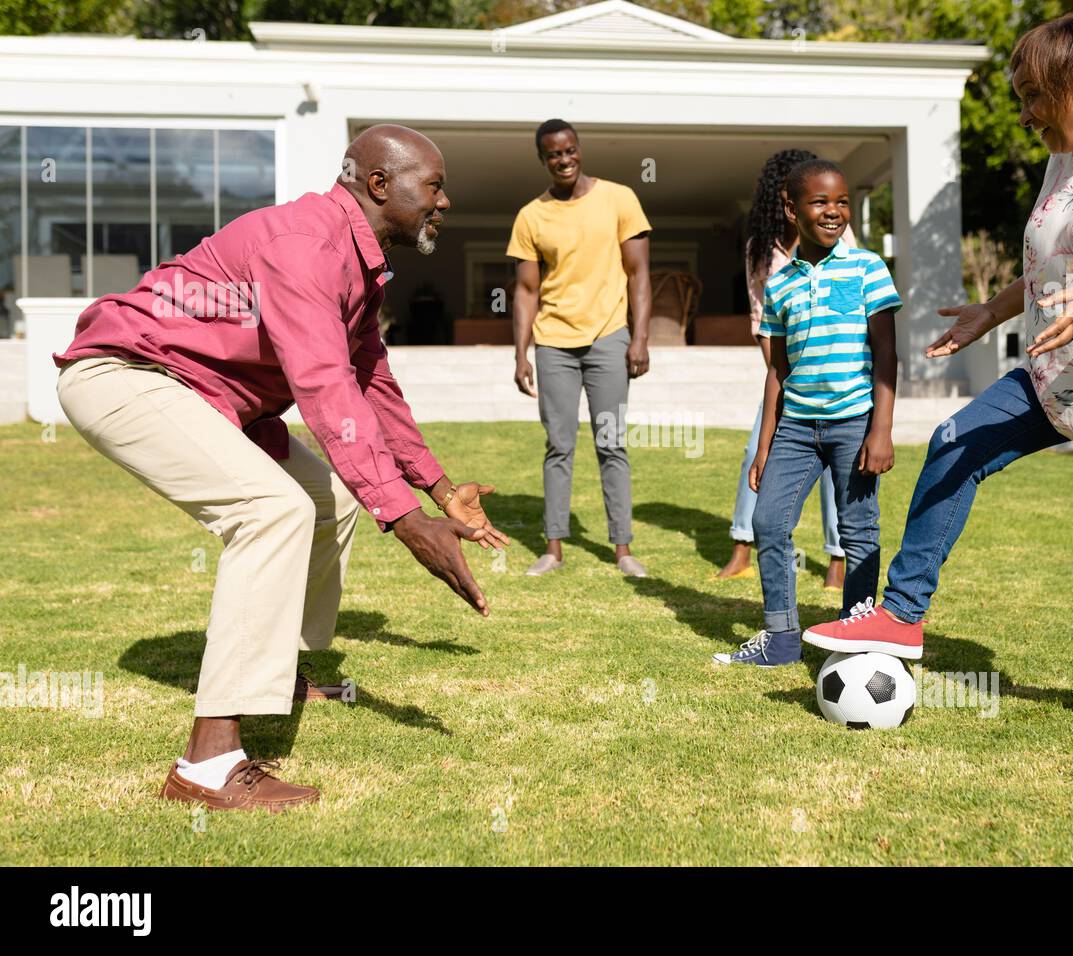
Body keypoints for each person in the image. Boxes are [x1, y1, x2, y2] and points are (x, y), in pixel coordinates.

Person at [802, 14, 1073, 747]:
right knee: (956, 441)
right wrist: (991, 311)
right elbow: (1054, 263)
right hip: (1060, 369)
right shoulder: (1068, 152)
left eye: (1035, 97)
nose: (1026, 114)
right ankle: (901, 614)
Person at [54, 125, 507, 811]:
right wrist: (408, 523)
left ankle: (272, 671)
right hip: (127, 373)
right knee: (273, 510)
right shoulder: (304, 245)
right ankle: (205, 767)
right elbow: (325, 388)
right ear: (379, 184)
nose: (446, 201)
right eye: (435, 185)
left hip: (202, 394)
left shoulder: (357, 262)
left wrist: (438, 488)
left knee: (331, 502)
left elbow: (370, 383)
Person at [714, 159, 900, 666]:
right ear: (791, 208)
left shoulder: (867, 268)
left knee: (858, 529)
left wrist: (880, 429)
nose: (833, 211)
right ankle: (781, 639)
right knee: (770, 524)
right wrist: (766, 444)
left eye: (841, 202)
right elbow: (777, 372)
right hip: (796, 425)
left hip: (855, 421)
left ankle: (858, 634)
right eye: (820, 202)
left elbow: (887, 353)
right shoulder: (780, 285)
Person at [509, 119, 653, 578]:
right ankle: (553, 548)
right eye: (553, 154)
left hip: (609, 336)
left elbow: (639, 275)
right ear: (542, 159)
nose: (564, 159)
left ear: (580, 150)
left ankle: (623, 549)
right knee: (559, 445)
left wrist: (640, 337)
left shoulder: (620, 198)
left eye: (569, 150)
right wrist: (520, 353)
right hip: (553, 343)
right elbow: (526, 290)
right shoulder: (532, 215)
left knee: (611, 443)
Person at [716, 148, 848, 591]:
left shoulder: (841, 242)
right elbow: (761, 320)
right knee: (756, 453)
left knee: (835, 467)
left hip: (833, 378)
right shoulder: (761, 249)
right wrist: (781, 377)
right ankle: (741, 546)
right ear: (786, 198)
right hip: (784, 376)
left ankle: (837, 559)